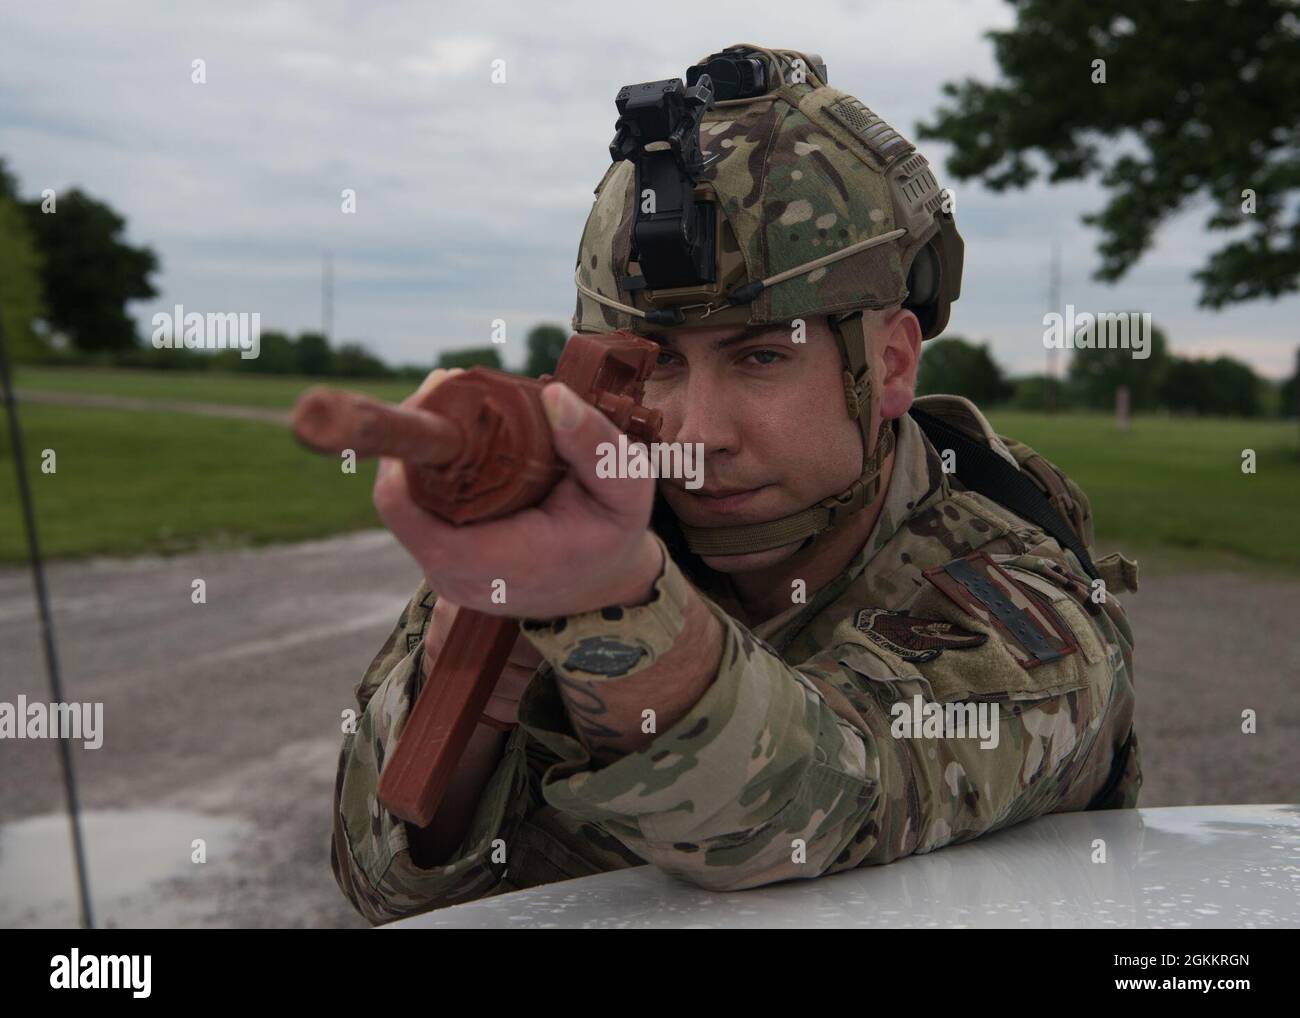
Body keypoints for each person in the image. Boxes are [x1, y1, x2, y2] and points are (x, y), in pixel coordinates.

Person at [330, 43, 1141, 925]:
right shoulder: (577, 528)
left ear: (890, 365)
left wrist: (614, 609)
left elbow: (815, 807)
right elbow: (386, 890)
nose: (696, 434)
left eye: (760, 359)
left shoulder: (1023, 599)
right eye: (658, 364)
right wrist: (470, 706)